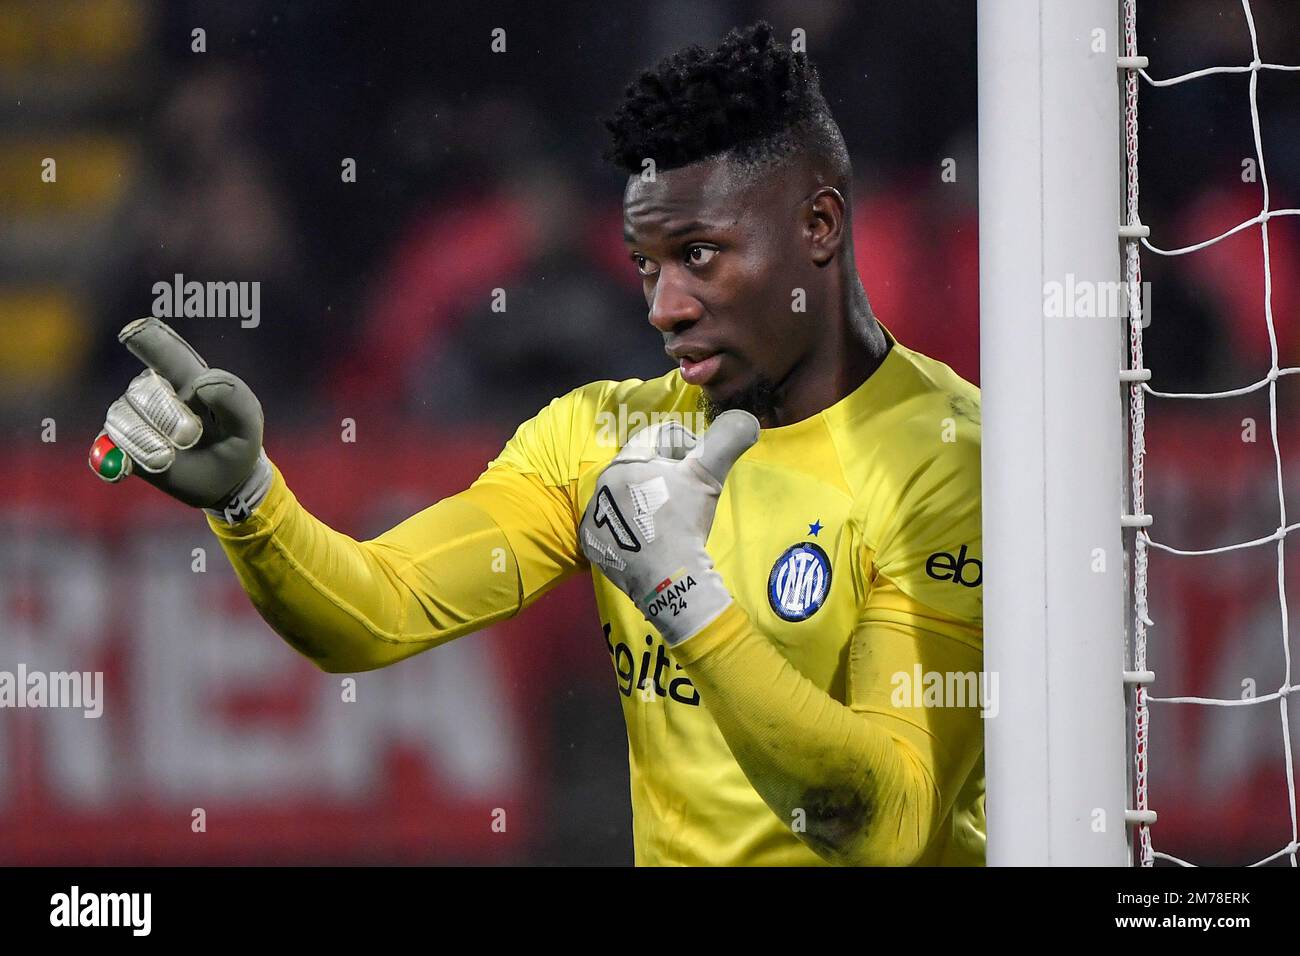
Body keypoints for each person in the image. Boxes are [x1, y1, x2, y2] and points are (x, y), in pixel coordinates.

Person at [89, 22, 984, 866]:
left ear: (818, 227)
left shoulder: (946, 460)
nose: (664, 308)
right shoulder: (604, 435)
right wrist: (251, 501)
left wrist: (685, 599)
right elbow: (376, 613)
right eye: (646, 264)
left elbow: (887, 823)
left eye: (701, 255)